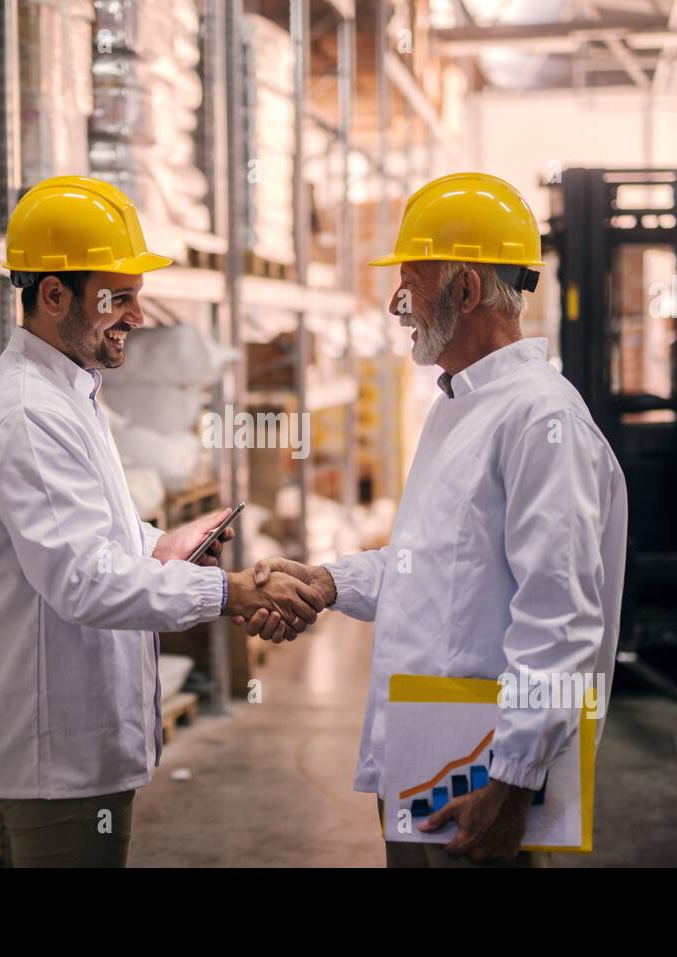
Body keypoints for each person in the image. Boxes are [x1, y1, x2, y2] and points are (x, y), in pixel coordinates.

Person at [235, 172, 628, 868]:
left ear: (467, 289)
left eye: (410, 283)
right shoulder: (459, 406)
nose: (398, 305)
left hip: (478, 781)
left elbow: (561, 619)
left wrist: (512, 779)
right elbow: (430, 566)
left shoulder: (541, 420)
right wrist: (328, 581)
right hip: (428, 764)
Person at [0, 176, 324, 867]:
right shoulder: (31, 414)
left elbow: (97, 537)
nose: (139, 316)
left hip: (79, 743)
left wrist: (164, 546)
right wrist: (231, 591)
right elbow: (85, 583)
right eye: (117, 298)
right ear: (54, 294)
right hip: (56, 750)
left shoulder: (71, 393)